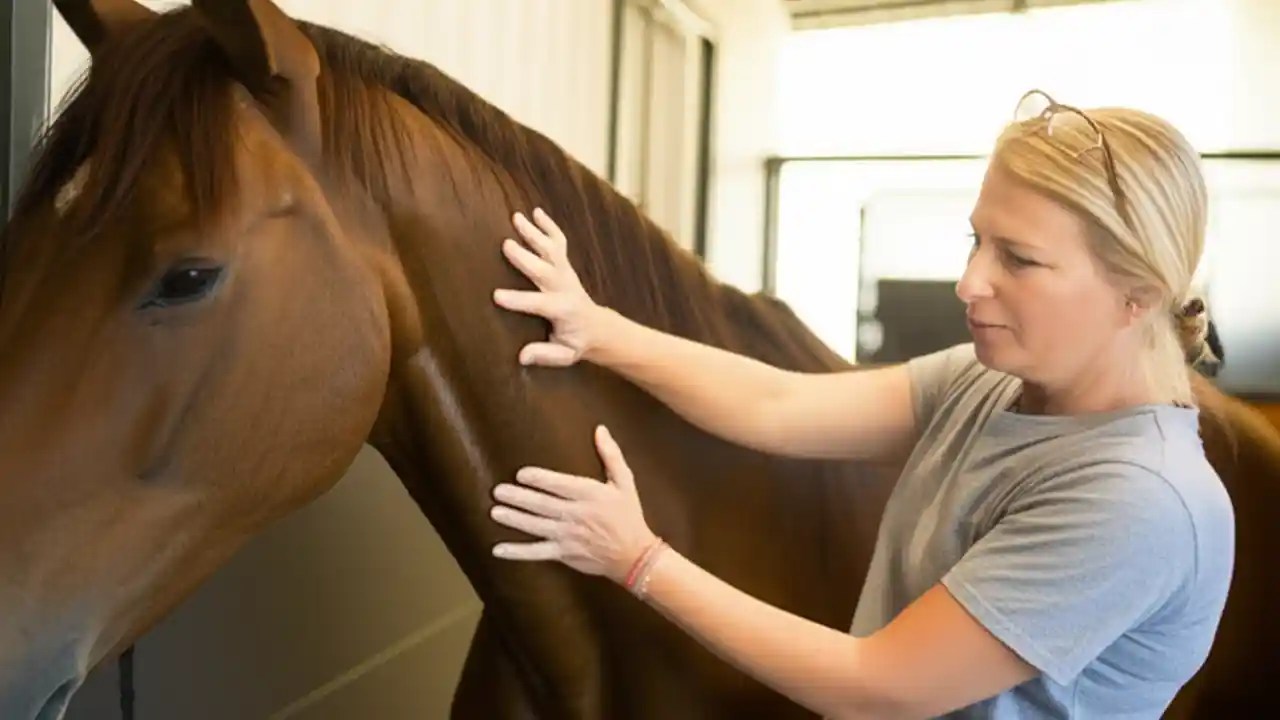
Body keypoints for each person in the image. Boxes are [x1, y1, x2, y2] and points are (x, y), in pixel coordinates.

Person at [486, 89, 1236, 719]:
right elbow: (777, 405)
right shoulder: (990, 382)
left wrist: (637, 559)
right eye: (977, 240)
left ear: (1138, 294)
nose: (969, 283)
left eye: (1020, 259)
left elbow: (879, 686)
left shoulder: (1139, 499)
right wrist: (599, 330)